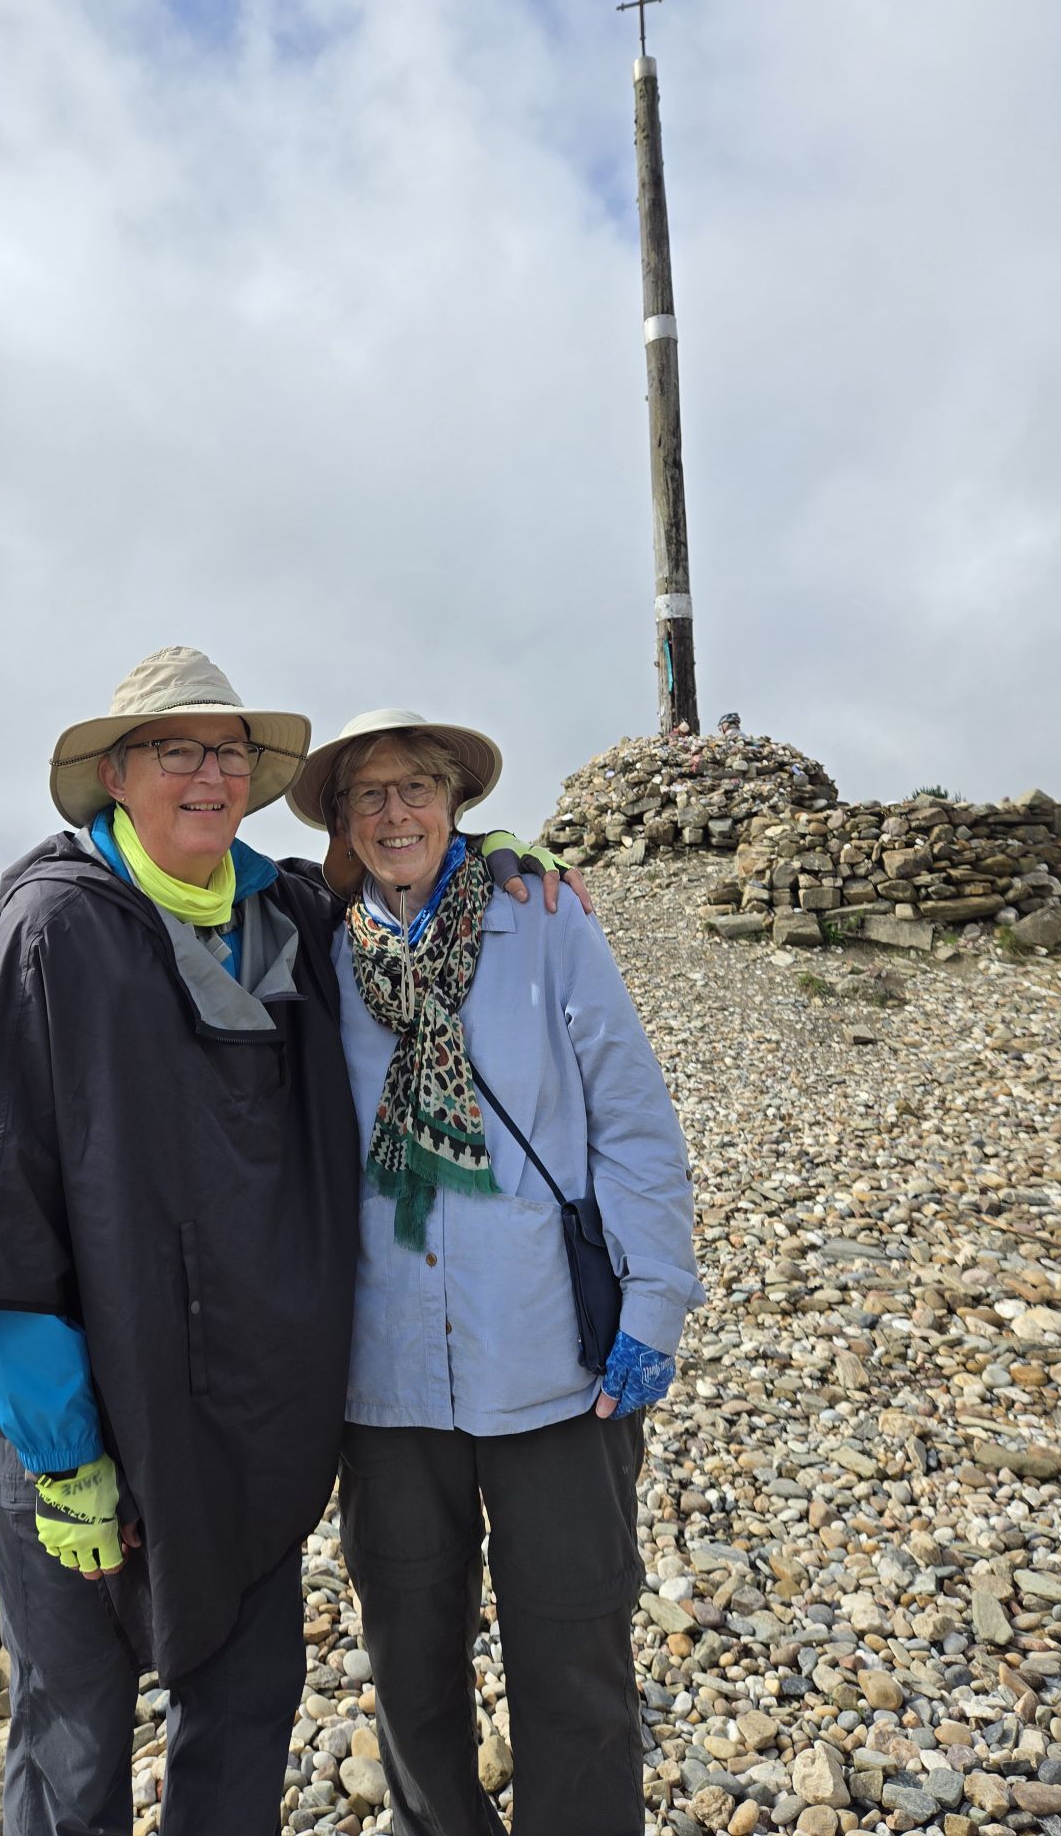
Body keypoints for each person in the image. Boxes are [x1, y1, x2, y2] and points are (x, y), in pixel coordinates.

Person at [0, 648, 576, 1836]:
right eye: (177, 750)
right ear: (116, 775)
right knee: (74, 1742)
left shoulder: (283, 913)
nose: (210, 774)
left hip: (240, 1422)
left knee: (243, 1710)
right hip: (86, 1423)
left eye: (228, 750)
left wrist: (491, 855)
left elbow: (398, 870)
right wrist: (66, 1454)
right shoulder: (54, 939)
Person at [288, 709, 704, 1836]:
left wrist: (656, 1300)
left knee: (575, 1656)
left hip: (553, 1359)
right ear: (341, 824)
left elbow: (631, 1116)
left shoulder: (546, 919)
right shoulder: (317, 955)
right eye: (365, 796)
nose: (393, 812)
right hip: (386, 1376)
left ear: (456, 801)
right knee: (411, 1670)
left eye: (415, 786)